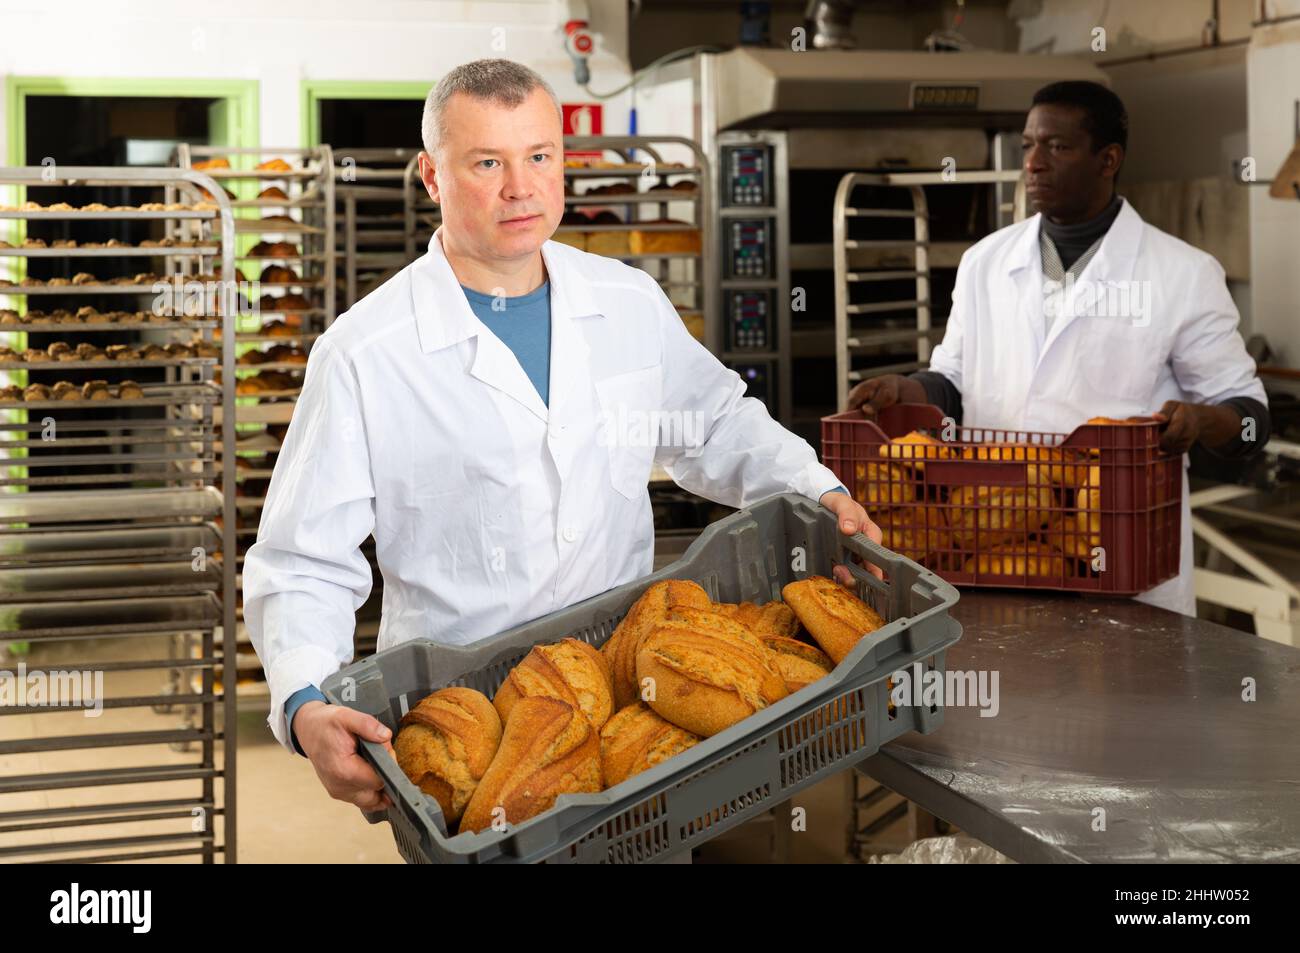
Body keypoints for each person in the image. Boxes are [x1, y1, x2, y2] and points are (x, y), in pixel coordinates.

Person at [245, 58, 876, 812]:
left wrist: (819, 491)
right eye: (487, 162)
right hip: (467, 729)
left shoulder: (626, 300)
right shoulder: (365, 353)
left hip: (624, 702)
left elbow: (713, 423)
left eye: (539, 156)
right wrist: (306, 702)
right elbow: (304, 561)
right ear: (431, 176)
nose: (521, 187)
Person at [848, 80, 1269, 618]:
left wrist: (1201, 421)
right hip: (997, 544)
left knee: (1126, 698)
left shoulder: (1182, 273)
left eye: (1057, 147)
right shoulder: (986, 261)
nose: (1034, 163)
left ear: (1108, 159)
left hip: (1120, 561)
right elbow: (952, 383)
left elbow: (1251, 419)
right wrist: (906, 388)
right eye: (1028, 145)